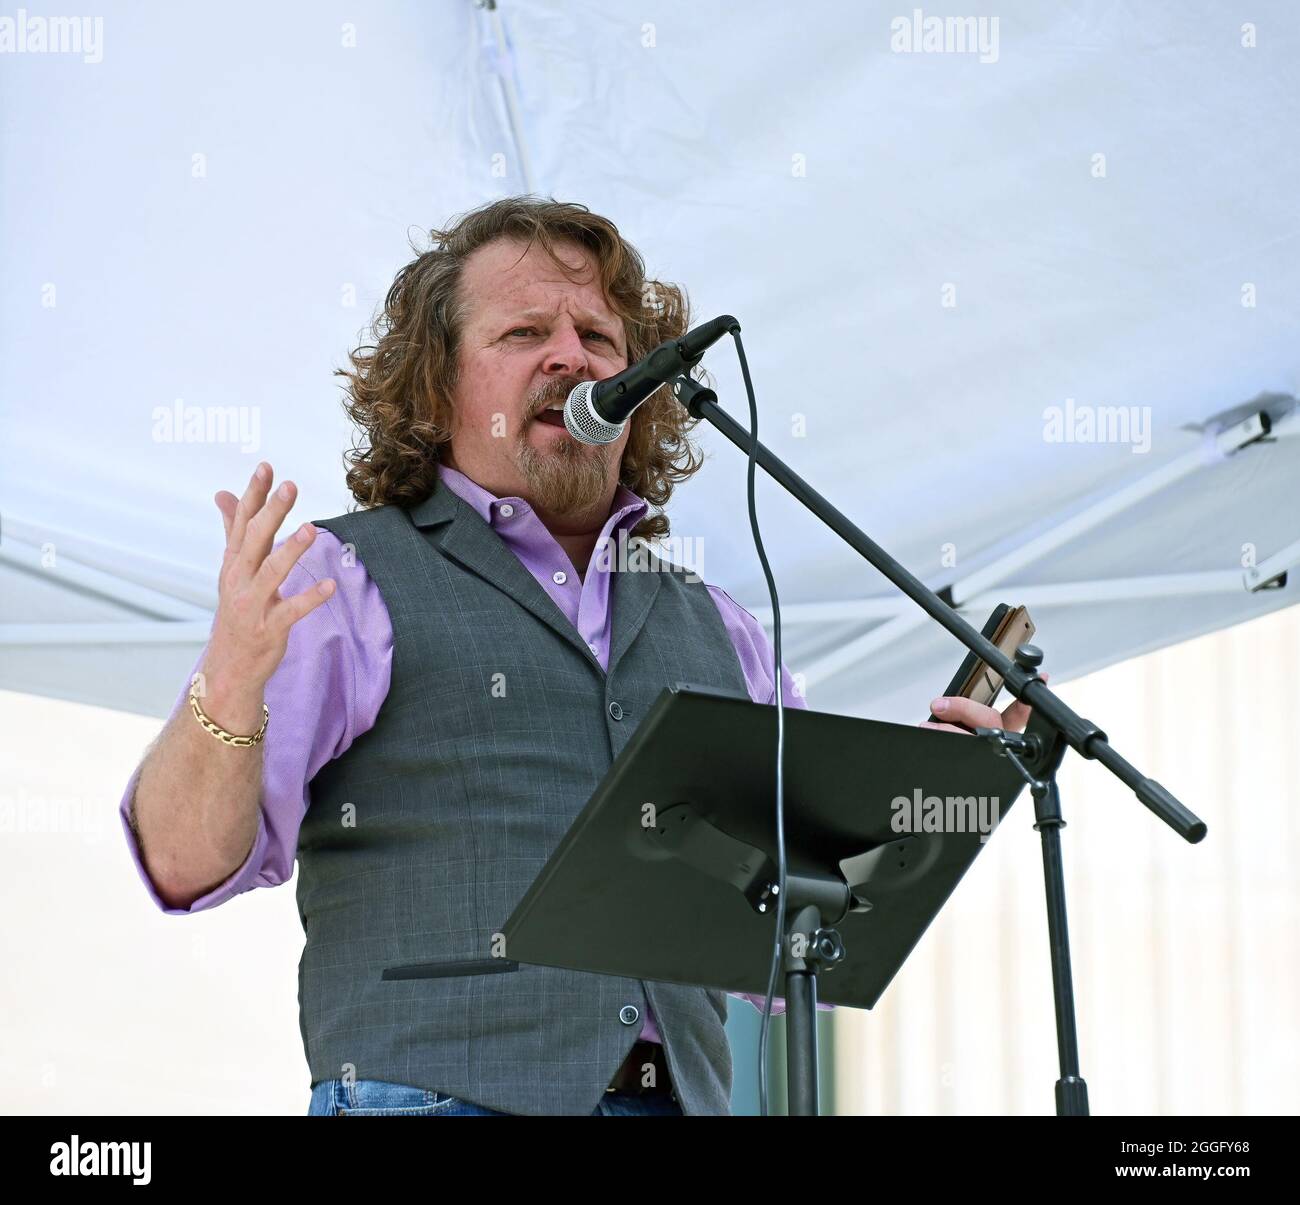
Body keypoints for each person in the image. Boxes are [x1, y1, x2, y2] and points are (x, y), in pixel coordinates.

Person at [120, 196, 1035, 1116]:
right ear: (437, 390)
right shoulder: (341, 576)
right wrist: (229, 681)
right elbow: (181, 861)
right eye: (524, 331)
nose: (571, 355)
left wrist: (934, 797)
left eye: (599, 336)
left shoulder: (719, 622)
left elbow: (802, 916)